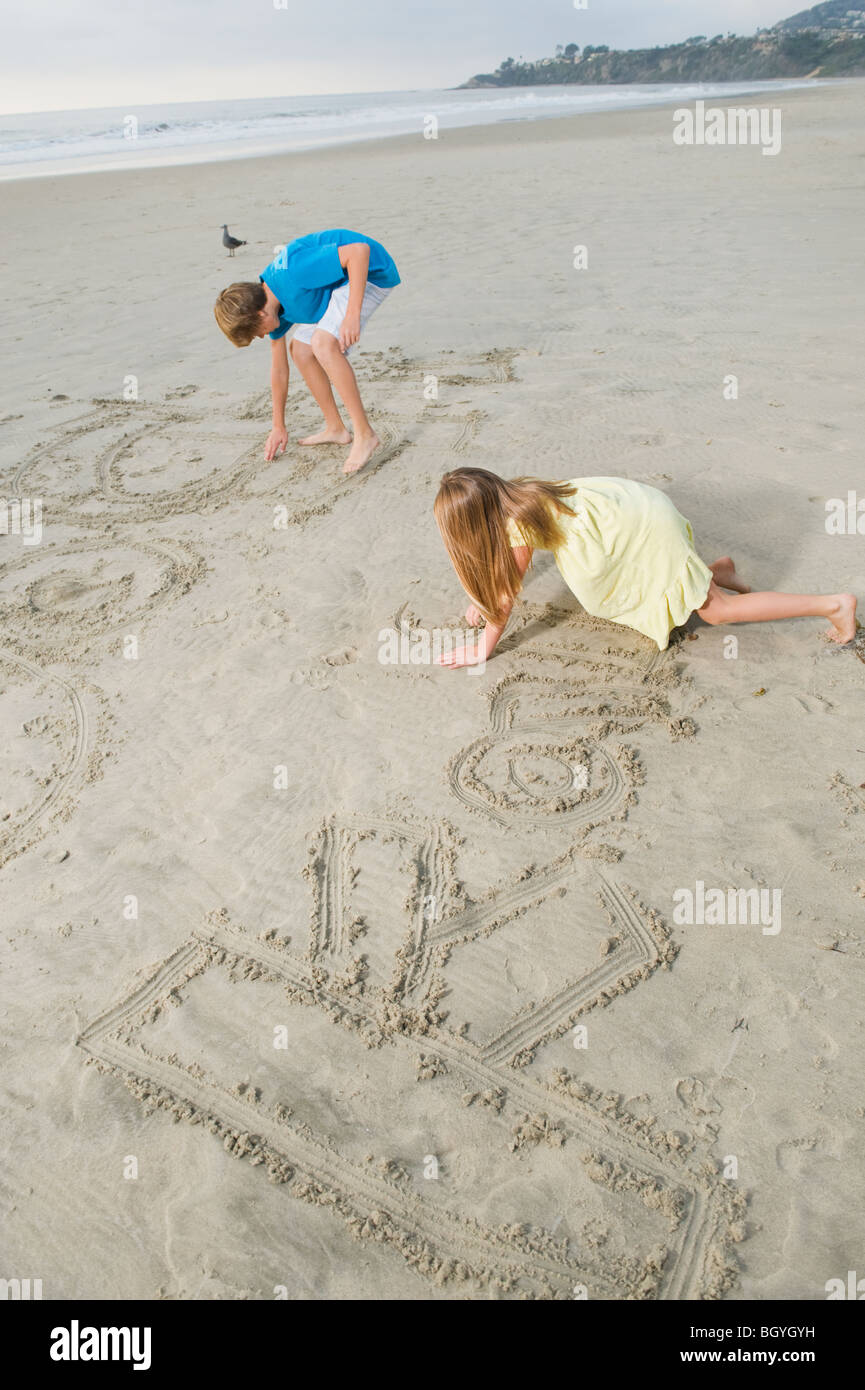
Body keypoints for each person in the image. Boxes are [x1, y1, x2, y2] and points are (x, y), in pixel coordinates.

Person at [433, 468, 857, 666]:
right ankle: (715, 571)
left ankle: (833, 606)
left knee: (717, 612)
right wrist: (478, 599)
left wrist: (485, 645)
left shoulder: (517, 524)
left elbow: (507, 590)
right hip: (631, 506)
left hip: (643, 530)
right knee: (672, 588)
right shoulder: (518, 494)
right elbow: (498, 573)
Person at [214, 229, 400, 473]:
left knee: (323, 344)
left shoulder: (293, 274)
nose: (262, 336)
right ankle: (336, 428)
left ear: (260, 315)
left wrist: (352, 316)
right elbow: (279, 370)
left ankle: (365, 434)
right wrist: (278, 426)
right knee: (301, 350)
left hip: (371, 273)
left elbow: (359, 252)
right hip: (337, 286)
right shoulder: (272, 306)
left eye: (256, 333)